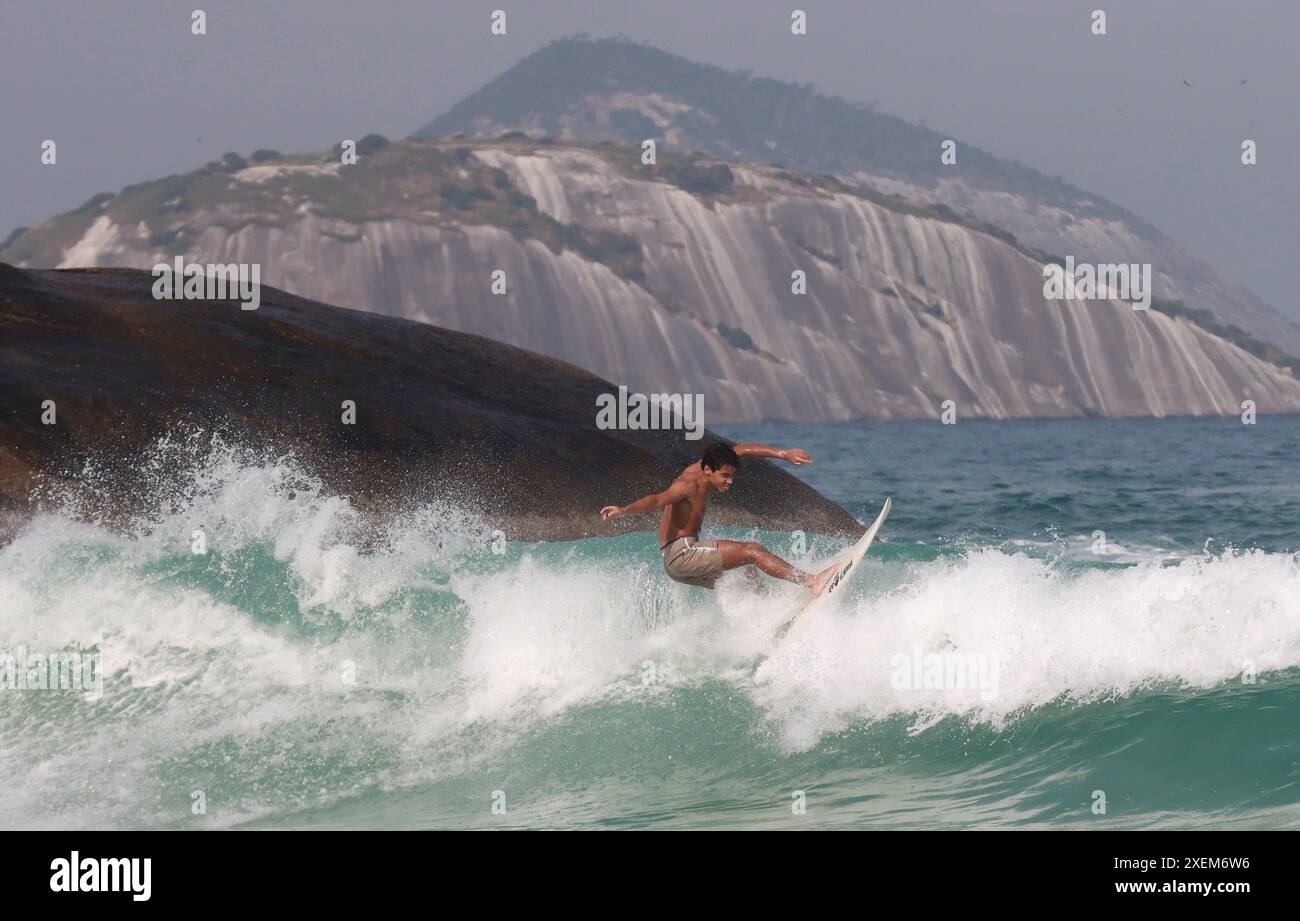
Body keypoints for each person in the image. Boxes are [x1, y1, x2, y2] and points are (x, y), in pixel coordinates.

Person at [601, 442, 839, 593]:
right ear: (707, 470)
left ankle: (763, 615)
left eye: (732, 475)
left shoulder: (714, 462)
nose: (730, 481)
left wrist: (783, 454)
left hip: (680, 558)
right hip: (680, 555)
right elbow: (656, 500)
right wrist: (623, 510)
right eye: (725, 476)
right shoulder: (686, 484)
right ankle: (811, 582)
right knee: (752, 551)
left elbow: (743, 449)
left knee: (745, 571)